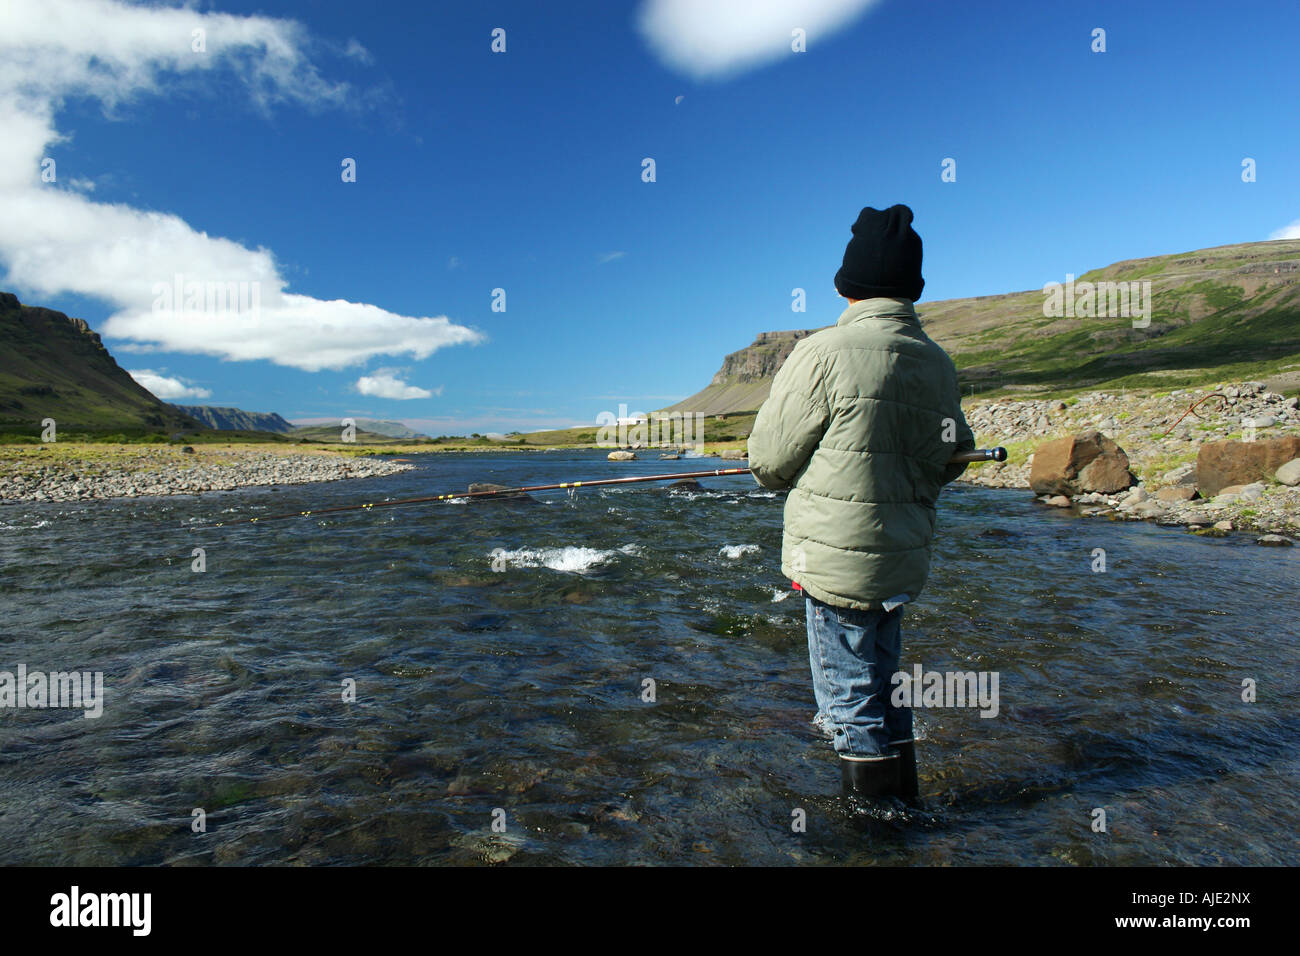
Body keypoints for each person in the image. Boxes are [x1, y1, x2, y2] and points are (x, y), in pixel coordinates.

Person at [747, 204, 974, 800]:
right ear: (911, 287)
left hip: (834, 562)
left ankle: (875, 838)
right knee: (884, 684)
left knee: (849, 698)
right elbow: (954, 455)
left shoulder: (822, 351)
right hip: (902, 557)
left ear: (846, 285)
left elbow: (769, 464)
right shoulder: (938, 363)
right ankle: (908, 808)